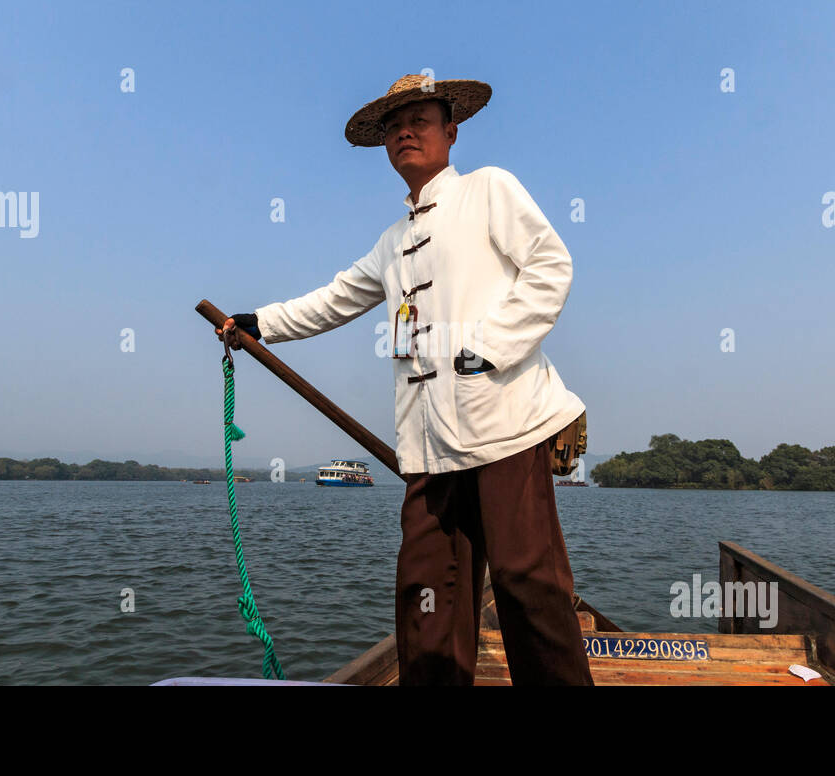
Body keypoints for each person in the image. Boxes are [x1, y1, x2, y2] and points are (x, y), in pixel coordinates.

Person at [217, 74, 592, 685]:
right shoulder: (393, 242)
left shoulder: (488, 190)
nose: (404, 133)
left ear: (451, 129)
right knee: (427, 591)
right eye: (393, 127)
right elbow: (334, 299)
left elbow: (550, 267)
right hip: (427, 447)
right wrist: (258, 323)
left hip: (506, 426)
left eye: (419, 119)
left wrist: (487, 349)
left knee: (528, 584)